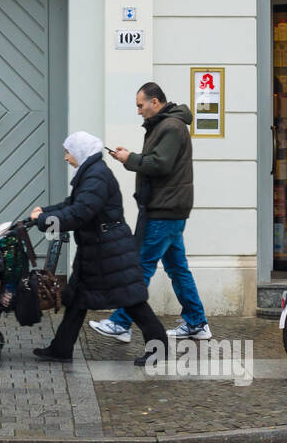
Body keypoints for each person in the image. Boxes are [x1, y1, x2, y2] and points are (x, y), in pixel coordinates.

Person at [30, 131, 168, 366]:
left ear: (80, 151)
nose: (65, 157)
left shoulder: (96, 177)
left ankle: (158, 350)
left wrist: (44, 221)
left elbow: (80, 213)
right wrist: (45, 211)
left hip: (109, 251)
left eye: (68, 151)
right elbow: (72, 204)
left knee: (133, 301)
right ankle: (61, 349)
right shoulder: (90, 174)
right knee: (76, 300)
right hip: (97, 250)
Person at [90, 82, 211, 344]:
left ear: (155, 102)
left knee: (140, 267)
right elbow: (156, 161)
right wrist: (130, 157)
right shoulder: (166, 125)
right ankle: (196, 321)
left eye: (140, 105)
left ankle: (121, 322)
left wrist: (129, 158)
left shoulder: (170, 127)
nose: (138, 111)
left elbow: (160, 164)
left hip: (164, 209)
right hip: (169, 208)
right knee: (178, 268)